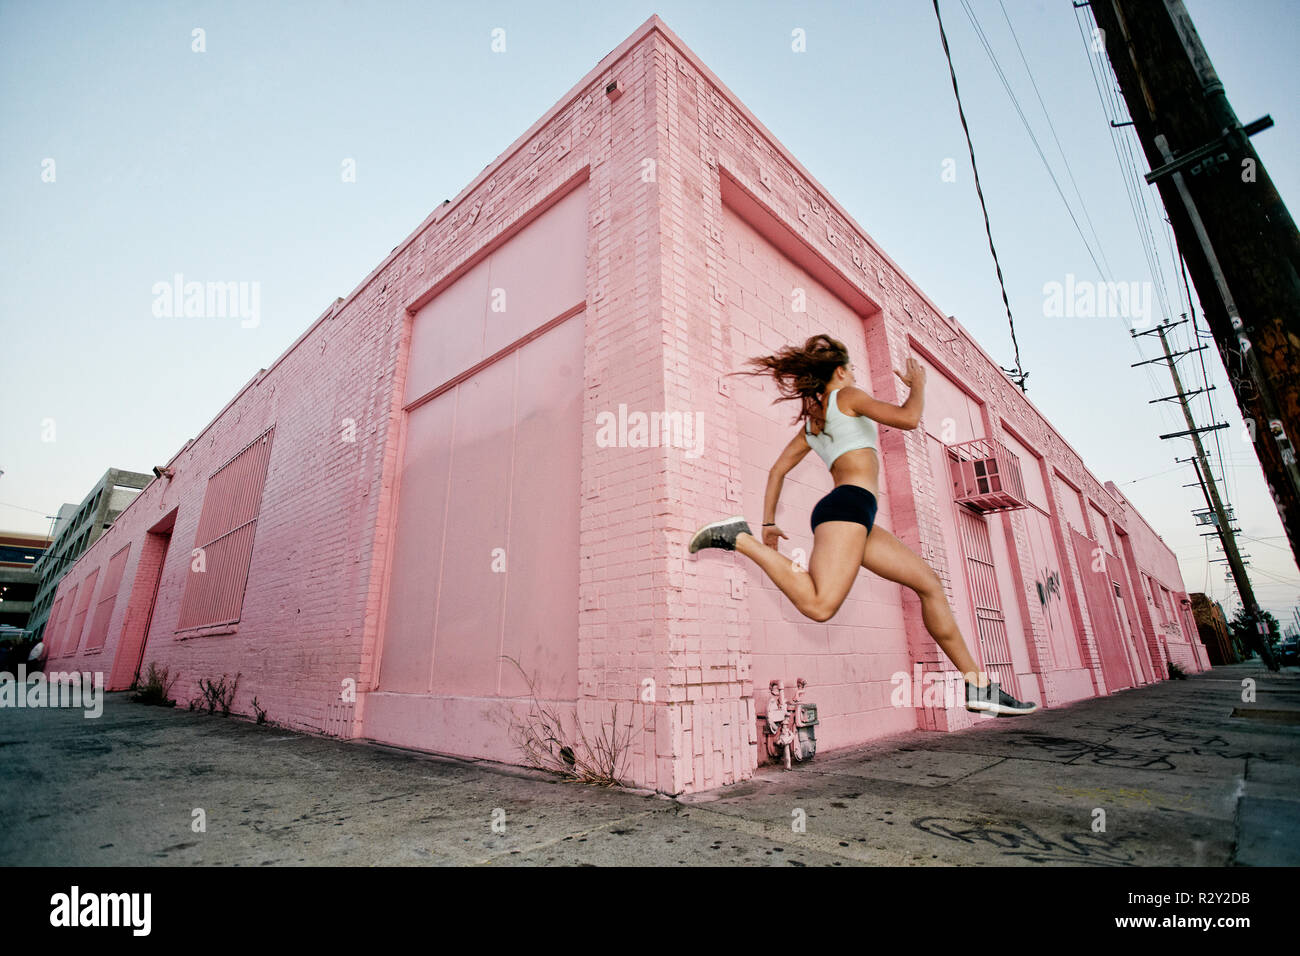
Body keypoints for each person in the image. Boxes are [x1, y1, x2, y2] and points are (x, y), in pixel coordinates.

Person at [689, 333, 1036, 717]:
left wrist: (771, 520)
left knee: (929, 584)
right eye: (851, 368)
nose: (854, 374)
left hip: (857, 515)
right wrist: (918, 386)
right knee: (820, 606)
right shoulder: (847, 397)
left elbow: (776, 471)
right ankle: (741, 539)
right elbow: (908, 418)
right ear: (839, 371)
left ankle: (979, 686)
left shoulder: (815, 424)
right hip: (848, 507)